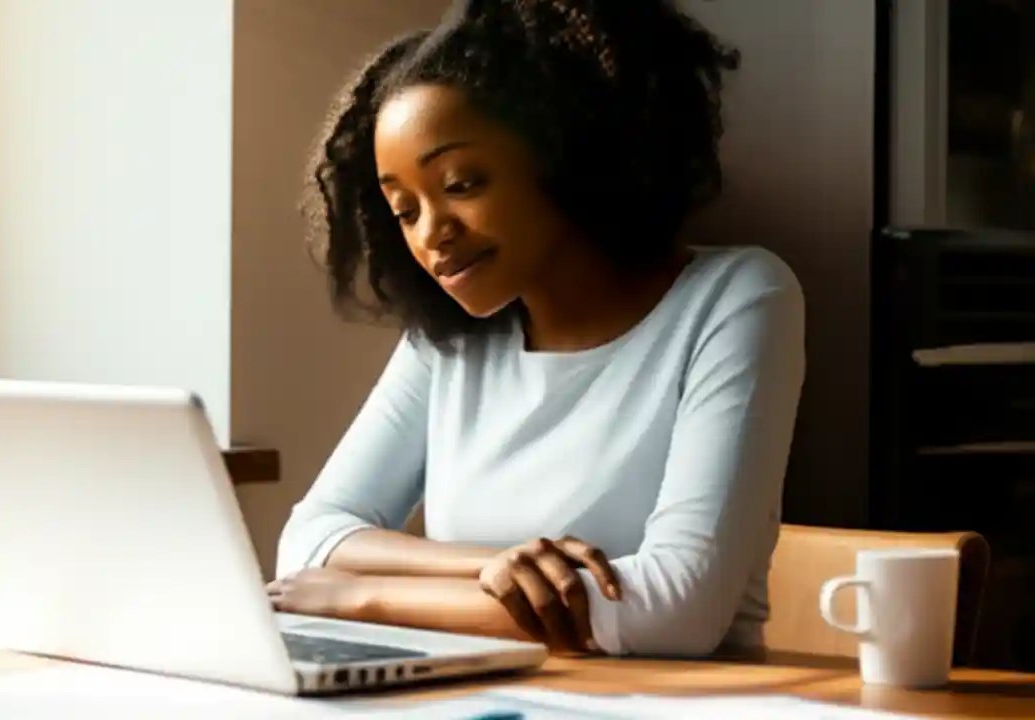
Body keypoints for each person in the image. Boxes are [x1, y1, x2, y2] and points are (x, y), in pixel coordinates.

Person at [266, 0, 805, 657]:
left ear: (560, 155)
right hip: (485, 696)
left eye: (461, 183)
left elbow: (676, 611)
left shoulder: (737, 296)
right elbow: (309, 541)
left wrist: (364, 597)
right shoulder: (452, 339)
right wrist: (490, 568)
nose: (431, 233)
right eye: (403, 209)